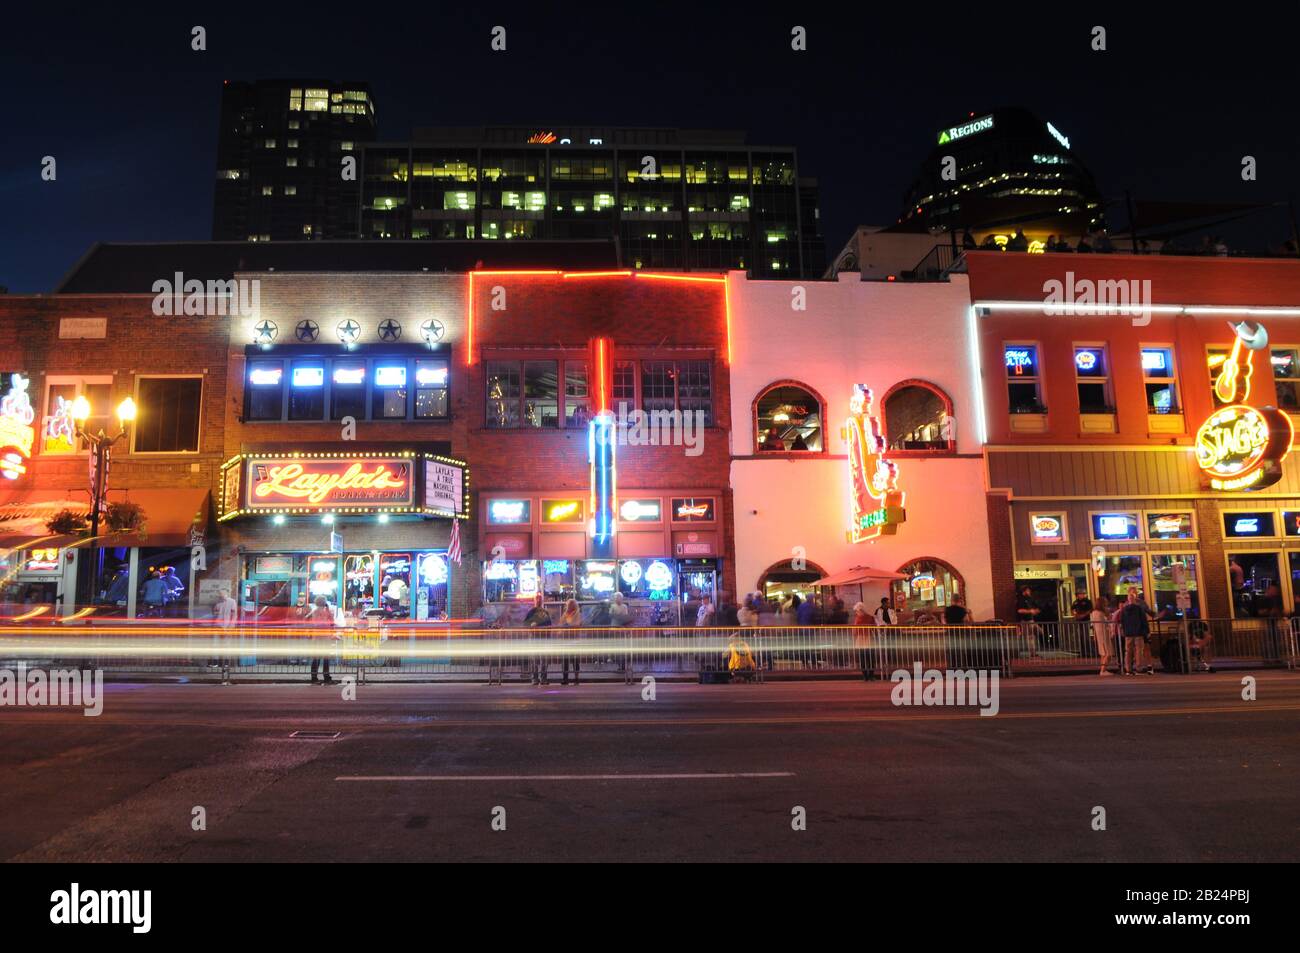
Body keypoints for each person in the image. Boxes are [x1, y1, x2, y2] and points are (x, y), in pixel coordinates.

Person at [1116, 590, 1156, 675]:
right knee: (1138, 651)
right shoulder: (1139, 608)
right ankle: (1138, 668)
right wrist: (1147, 631)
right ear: (1134, 599)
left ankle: (1128, 669)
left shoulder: (1124, 610)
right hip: (1138, 632)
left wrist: (1124, 630)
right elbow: (1143, 621)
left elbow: (1122, 621)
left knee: (1128, 651)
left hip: (1128, 633)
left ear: (1128, 600)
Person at [306, 596, 337, 685]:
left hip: (321, 638)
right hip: (320, 638)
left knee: (321, 658)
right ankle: (319, 678)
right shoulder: (317, 612)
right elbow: (320, 624)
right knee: (319, 658)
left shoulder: (323, 611)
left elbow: (331, 622)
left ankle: (320, 677)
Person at [522, 594, 552, 685]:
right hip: (535, 637)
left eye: (540, 599)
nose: (538, 601)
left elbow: (549, 625)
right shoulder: (532, 612)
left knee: (542, 659)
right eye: (537, 599)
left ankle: (541, 678)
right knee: (535, 659)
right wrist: (530, 625)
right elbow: (525, 624)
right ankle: (536, 678)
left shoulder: (544, 612)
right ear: (535, 601)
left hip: (541, 638)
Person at [558, 598, 582, 686]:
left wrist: (568, 627)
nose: (570, 606)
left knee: (575, 660)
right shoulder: (565, 615)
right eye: (569, 604)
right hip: (565, 641)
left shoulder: (577, 614)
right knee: (565, 660)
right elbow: (560, 625)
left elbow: (577, 625)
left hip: (574, 641)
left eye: (571, 604)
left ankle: (576, 678)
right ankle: (565, 678)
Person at [1089, 596, 1115, 676]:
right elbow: (1107, 621)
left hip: (1099, 634)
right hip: (1104, 633)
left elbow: (1093, 625)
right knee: (1108, 653)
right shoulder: (1101, 613)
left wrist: (1094, 635)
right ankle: (1103, 670)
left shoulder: (1093, 613)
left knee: (1103, 653)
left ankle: (1103, 669)